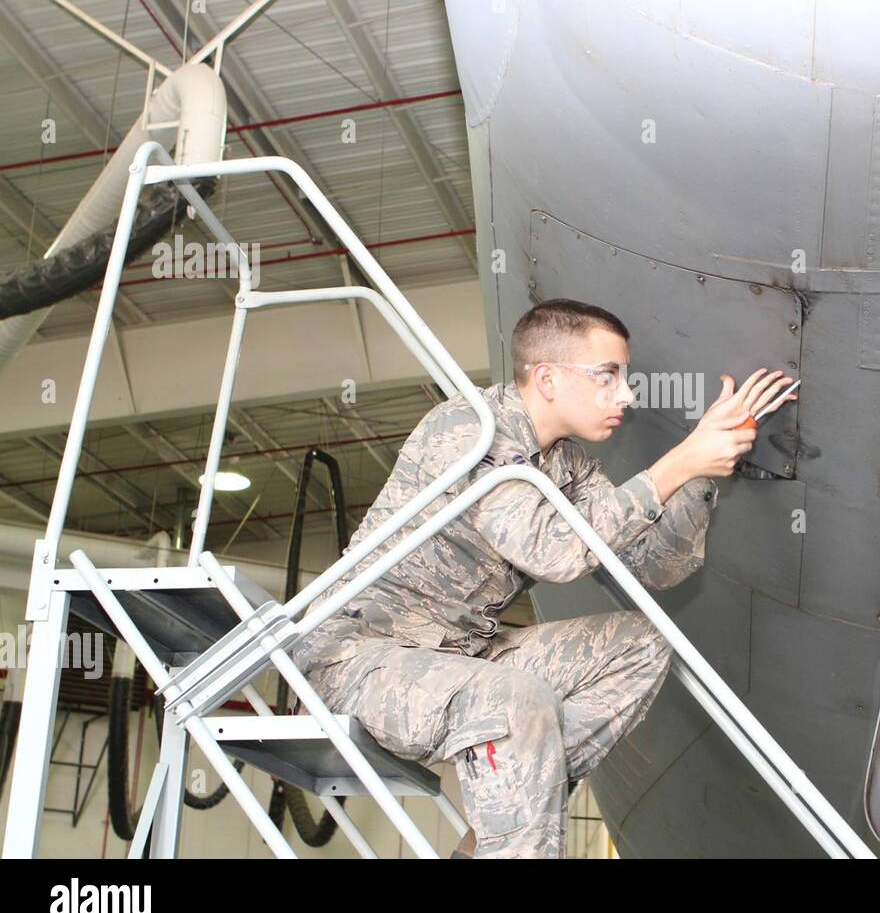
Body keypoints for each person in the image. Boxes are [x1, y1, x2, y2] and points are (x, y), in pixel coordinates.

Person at [289, 298, 797, 858]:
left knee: (642, 643)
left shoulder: (568, 465)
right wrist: (676, 463)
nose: (625, 395)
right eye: (607, 376)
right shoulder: (470, 428)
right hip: (356, 659)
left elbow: (655, 565)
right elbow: (553, 552)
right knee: (514, 696)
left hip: (461, 657)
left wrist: (699, 475)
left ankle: (496, 837)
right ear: (548, 378)